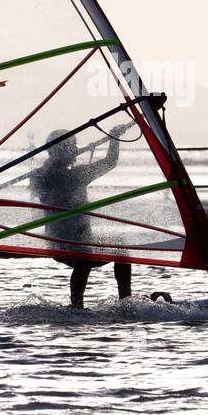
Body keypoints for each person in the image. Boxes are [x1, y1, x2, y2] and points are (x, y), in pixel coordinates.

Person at [29, 126, 133, 309]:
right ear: (61, 151)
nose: (77, 150)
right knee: (84, 255)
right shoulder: (42, 176)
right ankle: (77, 305)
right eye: (73, 146)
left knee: (120, 247)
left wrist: (114, 138)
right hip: (59, 242)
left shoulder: (71, 174)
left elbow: (110, 162)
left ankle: (125, 301)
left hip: (84, 240)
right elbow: (46, 187)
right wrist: (57, 163)